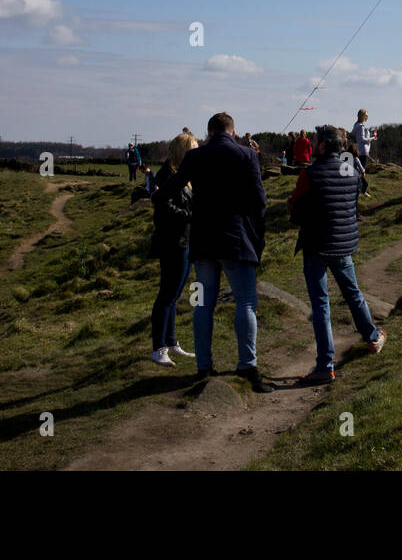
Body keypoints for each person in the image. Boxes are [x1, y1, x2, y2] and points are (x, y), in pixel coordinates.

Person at [170, 112, 272, 393]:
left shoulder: (194, 157)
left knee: (202, 304)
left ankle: (204, 365)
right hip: (236, 240)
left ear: (209, 133)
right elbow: (260, 202)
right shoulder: (247, 156)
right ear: (233, 132)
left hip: (202, 242)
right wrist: (257, 236)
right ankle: (247, 365)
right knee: (246, 302)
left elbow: (168, 190)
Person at [287, 124, 386, 385]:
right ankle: (372, 337)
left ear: (322, 145)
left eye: (316, 138)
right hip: (342, 244)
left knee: (321, 305)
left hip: (315, 246)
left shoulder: (310, 174)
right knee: (352, 293)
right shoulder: (351, 169)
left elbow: (294, 210)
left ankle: (325, 365)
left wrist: (299, 210)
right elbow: (355, 196)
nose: (314, 140)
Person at [148, 130, 198, 367]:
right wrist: (191, 215)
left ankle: (170, 341)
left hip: (184, 240)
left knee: (175, 294)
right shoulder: (166, 175)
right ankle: (158, 348)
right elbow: (164, 209)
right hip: (172, 242)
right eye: (194, 149)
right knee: (166, 295)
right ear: (184, 152)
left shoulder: (184, 174)